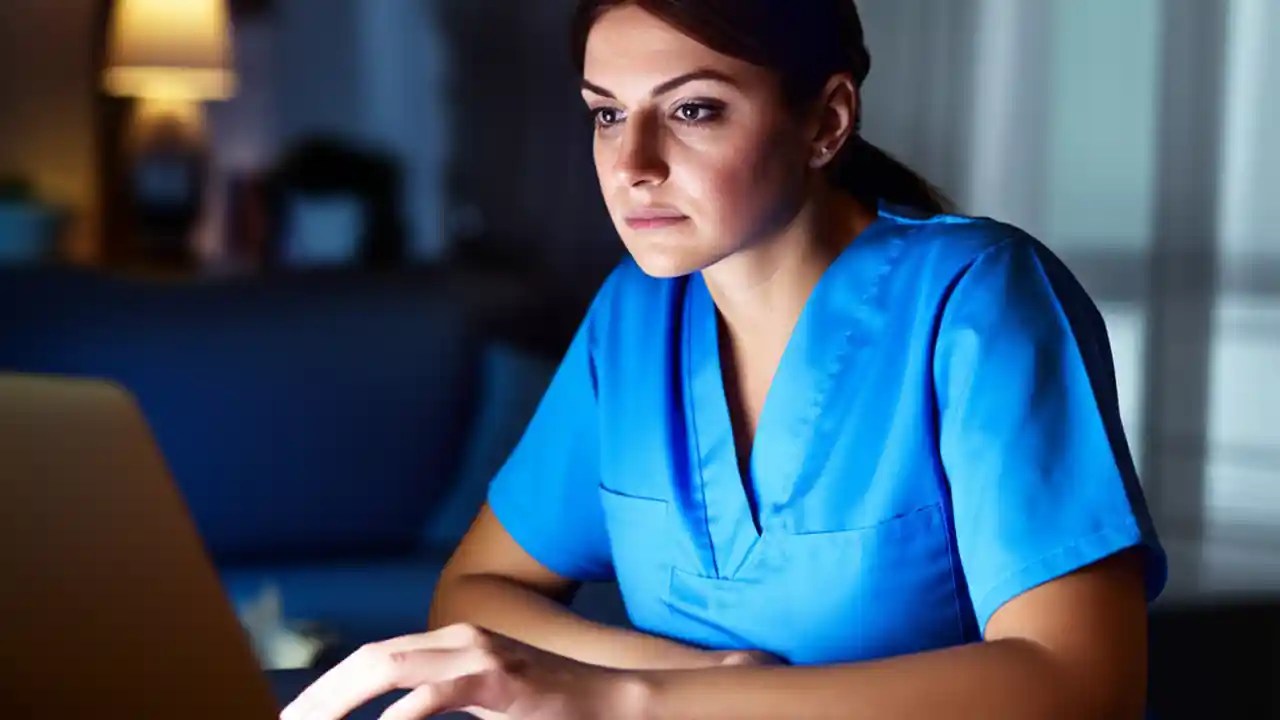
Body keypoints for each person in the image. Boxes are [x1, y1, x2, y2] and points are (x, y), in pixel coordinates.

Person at [283, 1, 1167, 718]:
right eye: (606, 114)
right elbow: (476, 592)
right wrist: (668, 682)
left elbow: (1082, 684)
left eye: (693, 110)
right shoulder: (635, 316)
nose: (633, 165)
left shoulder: (976, 297)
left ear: (825, 120)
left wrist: (632, 702)